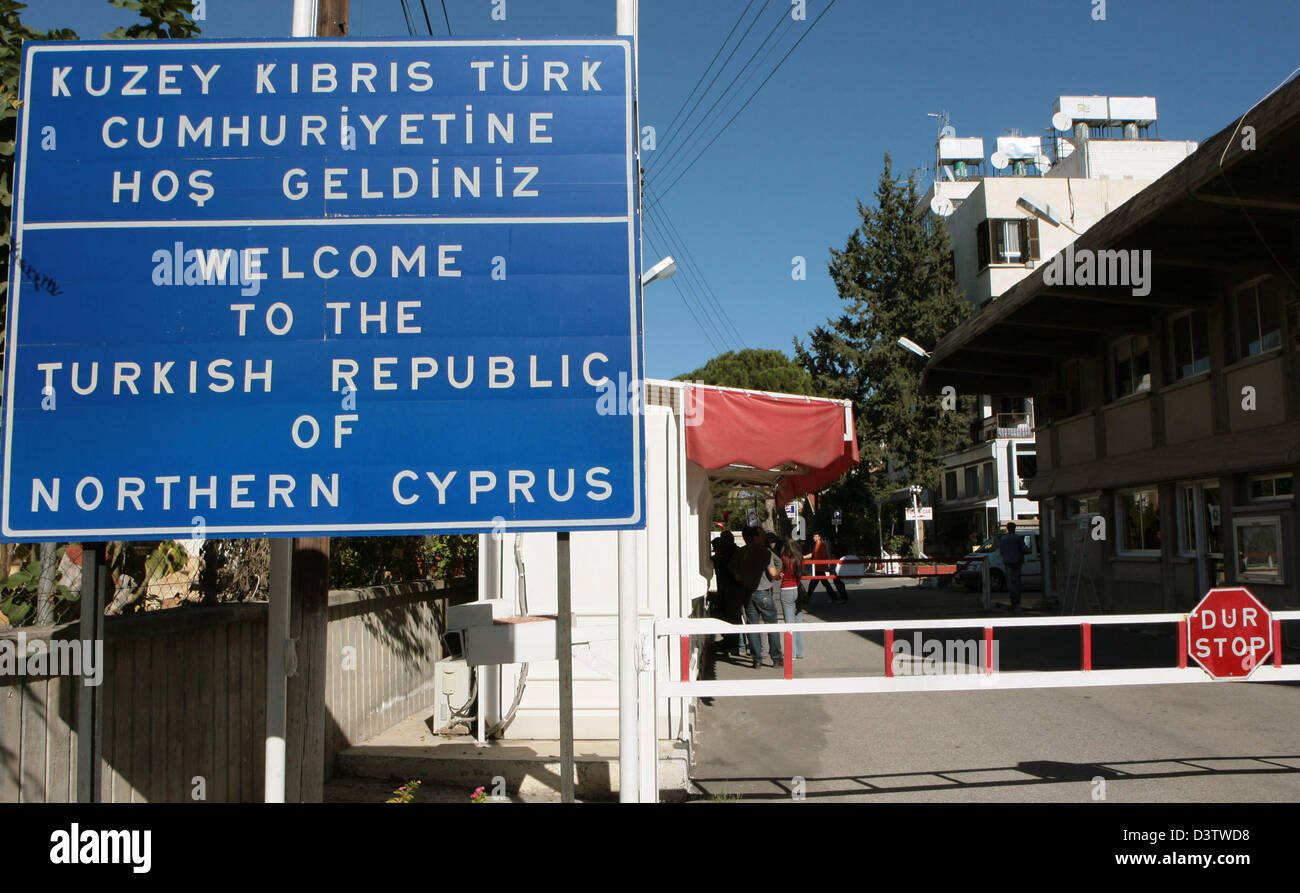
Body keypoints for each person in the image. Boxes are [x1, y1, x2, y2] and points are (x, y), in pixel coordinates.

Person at [728, 526, 783, 668]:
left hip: (747, 593)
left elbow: (737, 576)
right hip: (763, 592)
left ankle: (756, 659)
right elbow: (772, 573)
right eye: (761, 535)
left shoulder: (740, 553)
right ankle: (776, 658)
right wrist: (775, 575)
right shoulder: (765, 552)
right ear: (755, 537)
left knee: (752, 626)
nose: (764, 537)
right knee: (772, 625)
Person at [710, 531, 746, 655]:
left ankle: (735, 644)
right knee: (727, 615)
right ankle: (730, 641)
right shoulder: (732, 552)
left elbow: (728, 569)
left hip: (732, 589)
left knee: (733, 617)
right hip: (728, 588)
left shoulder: (731, 554)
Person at [778, 537, 806, 659]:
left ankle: (792, 654)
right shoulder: (800, 558)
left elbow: (778, 575)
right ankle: (800, 652)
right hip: (797, 589)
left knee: (789, 623)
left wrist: (779, 575)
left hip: (787, 590)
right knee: (798, 621)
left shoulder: (784, 558)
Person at [803, 532, 845, 605]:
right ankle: (834, 598)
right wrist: (803, 557)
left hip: (819, 568)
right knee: (820, 584)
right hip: (818, 568)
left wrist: (825, 566)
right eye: (814, 536)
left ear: (819, 537)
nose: (814, 538)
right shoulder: (817, 545)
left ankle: (806, 599)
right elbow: (813, 554)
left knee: (814, 584)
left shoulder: (820, 545)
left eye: (816, 536)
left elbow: (824, 555)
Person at [998, 522, 1030, 609]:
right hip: (1017, 561)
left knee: (1010, 581)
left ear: (1007, 528)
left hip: (1007, 562)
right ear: (1014, 528)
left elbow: (1001, 551)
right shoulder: (1018, 538)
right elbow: (1024, 549)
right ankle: (1017, 597)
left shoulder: (1003, 539)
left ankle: (1012, 598)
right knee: (1017, 581)